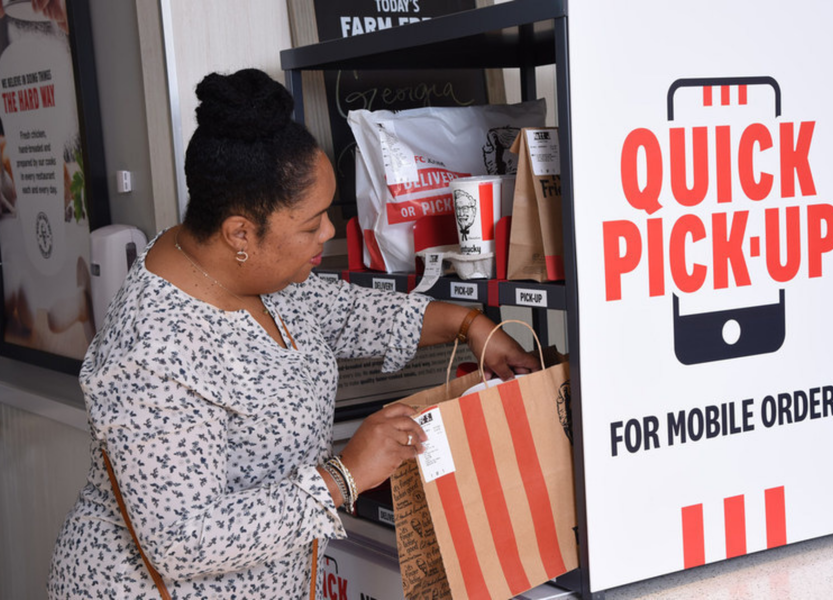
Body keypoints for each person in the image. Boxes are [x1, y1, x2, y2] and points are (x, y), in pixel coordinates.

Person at [47, 68, 539, 599]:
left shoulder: (239, 267)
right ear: (240, 232)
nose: (327, 233)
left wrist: (468, 324)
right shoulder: (153, 348)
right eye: (312, 224)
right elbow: (183, 540)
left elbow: (345, 312)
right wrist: (345, 473)